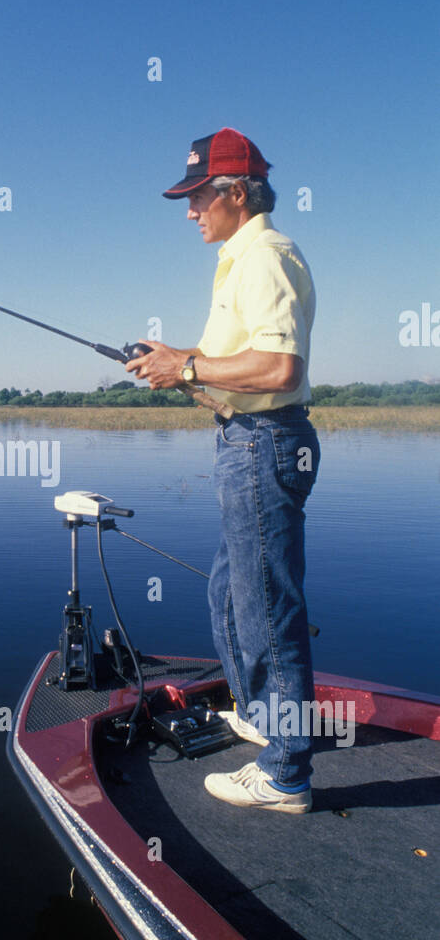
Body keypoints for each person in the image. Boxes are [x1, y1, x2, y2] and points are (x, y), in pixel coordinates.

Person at [126, 127, 320, 813]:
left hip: (263, 446)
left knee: (266, 610)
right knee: (229, 596)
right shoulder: (240, 259)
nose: (188, 212)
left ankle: (285, 773)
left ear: (235, 192)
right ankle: (264, 716)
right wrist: (178, 369)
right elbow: (236, 378)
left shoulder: (263, 256)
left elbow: (277, 369)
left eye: (197, 197)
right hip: (246, 440)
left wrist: (183, 363)